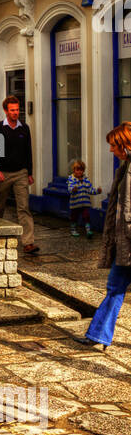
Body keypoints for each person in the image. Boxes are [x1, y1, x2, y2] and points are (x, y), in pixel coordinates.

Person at [80, 123, 131, 352]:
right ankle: (98, 334)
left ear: (125, 144)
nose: (111, 150)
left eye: (113, 145)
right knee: (114, 287)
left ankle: (98, 334)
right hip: (125, 243)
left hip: (129, 242)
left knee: (115, 287)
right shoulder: (125, 166)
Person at [0, 94, 39, 255]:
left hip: (20, 173)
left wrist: (29, 172)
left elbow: (27, 152)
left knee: (23, 207)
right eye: (12, 110)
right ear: (6, 111)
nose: (15, 113)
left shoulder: (24, 128)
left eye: (17, 110)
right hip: (4, 173)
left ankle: (28, 242)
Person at [67, 160, 101, 239]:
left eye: (81, 170)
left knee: (86, 216)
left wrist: (97, 191)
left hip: (85, 203)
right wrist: (73, 189)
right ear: (74, 170)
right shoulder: (71, 179)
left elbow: (90, 190)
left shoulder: (86, 180)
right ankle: (73, 229)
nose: (79, 172)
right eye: (77, 170)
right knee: (74, 217)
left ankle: (88, 230)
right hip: (75, 204)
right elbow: (70, 188)